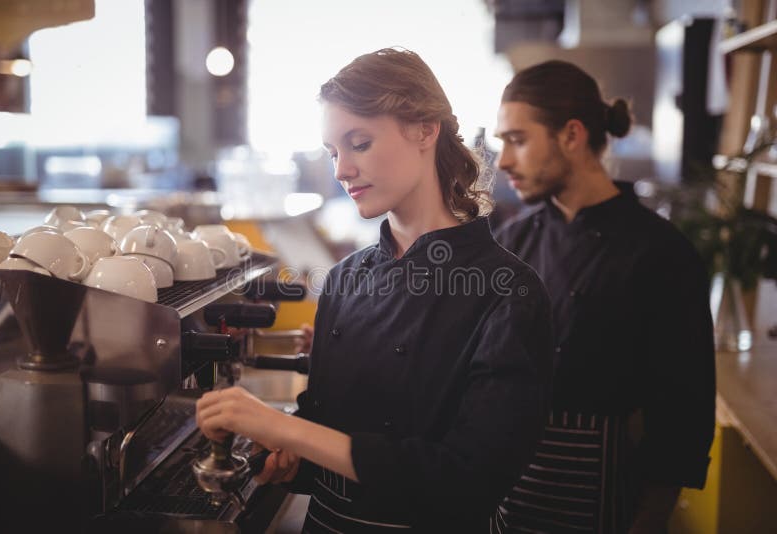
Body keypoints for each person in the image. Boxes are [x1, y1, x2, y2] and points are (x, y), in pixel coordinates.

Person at [196, 48, 554, 532]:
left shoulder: (508, 293)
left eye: (358, 143)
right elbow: (325, 431)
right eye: (333, 153)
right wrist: (290, 458)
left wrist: (285, 427)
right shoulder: (344, 279)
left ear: (426, 129)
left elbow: (469, 479)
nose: (341, 170)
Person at [492, 60, 716, 533]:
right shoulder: (510, 245)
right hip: (507, 495)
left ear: (571, 135)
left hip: (606, 498)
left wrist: (650, 521)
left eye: (517, 139)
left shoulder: (660, 252)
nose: (503, 162)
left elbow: (683, 411)